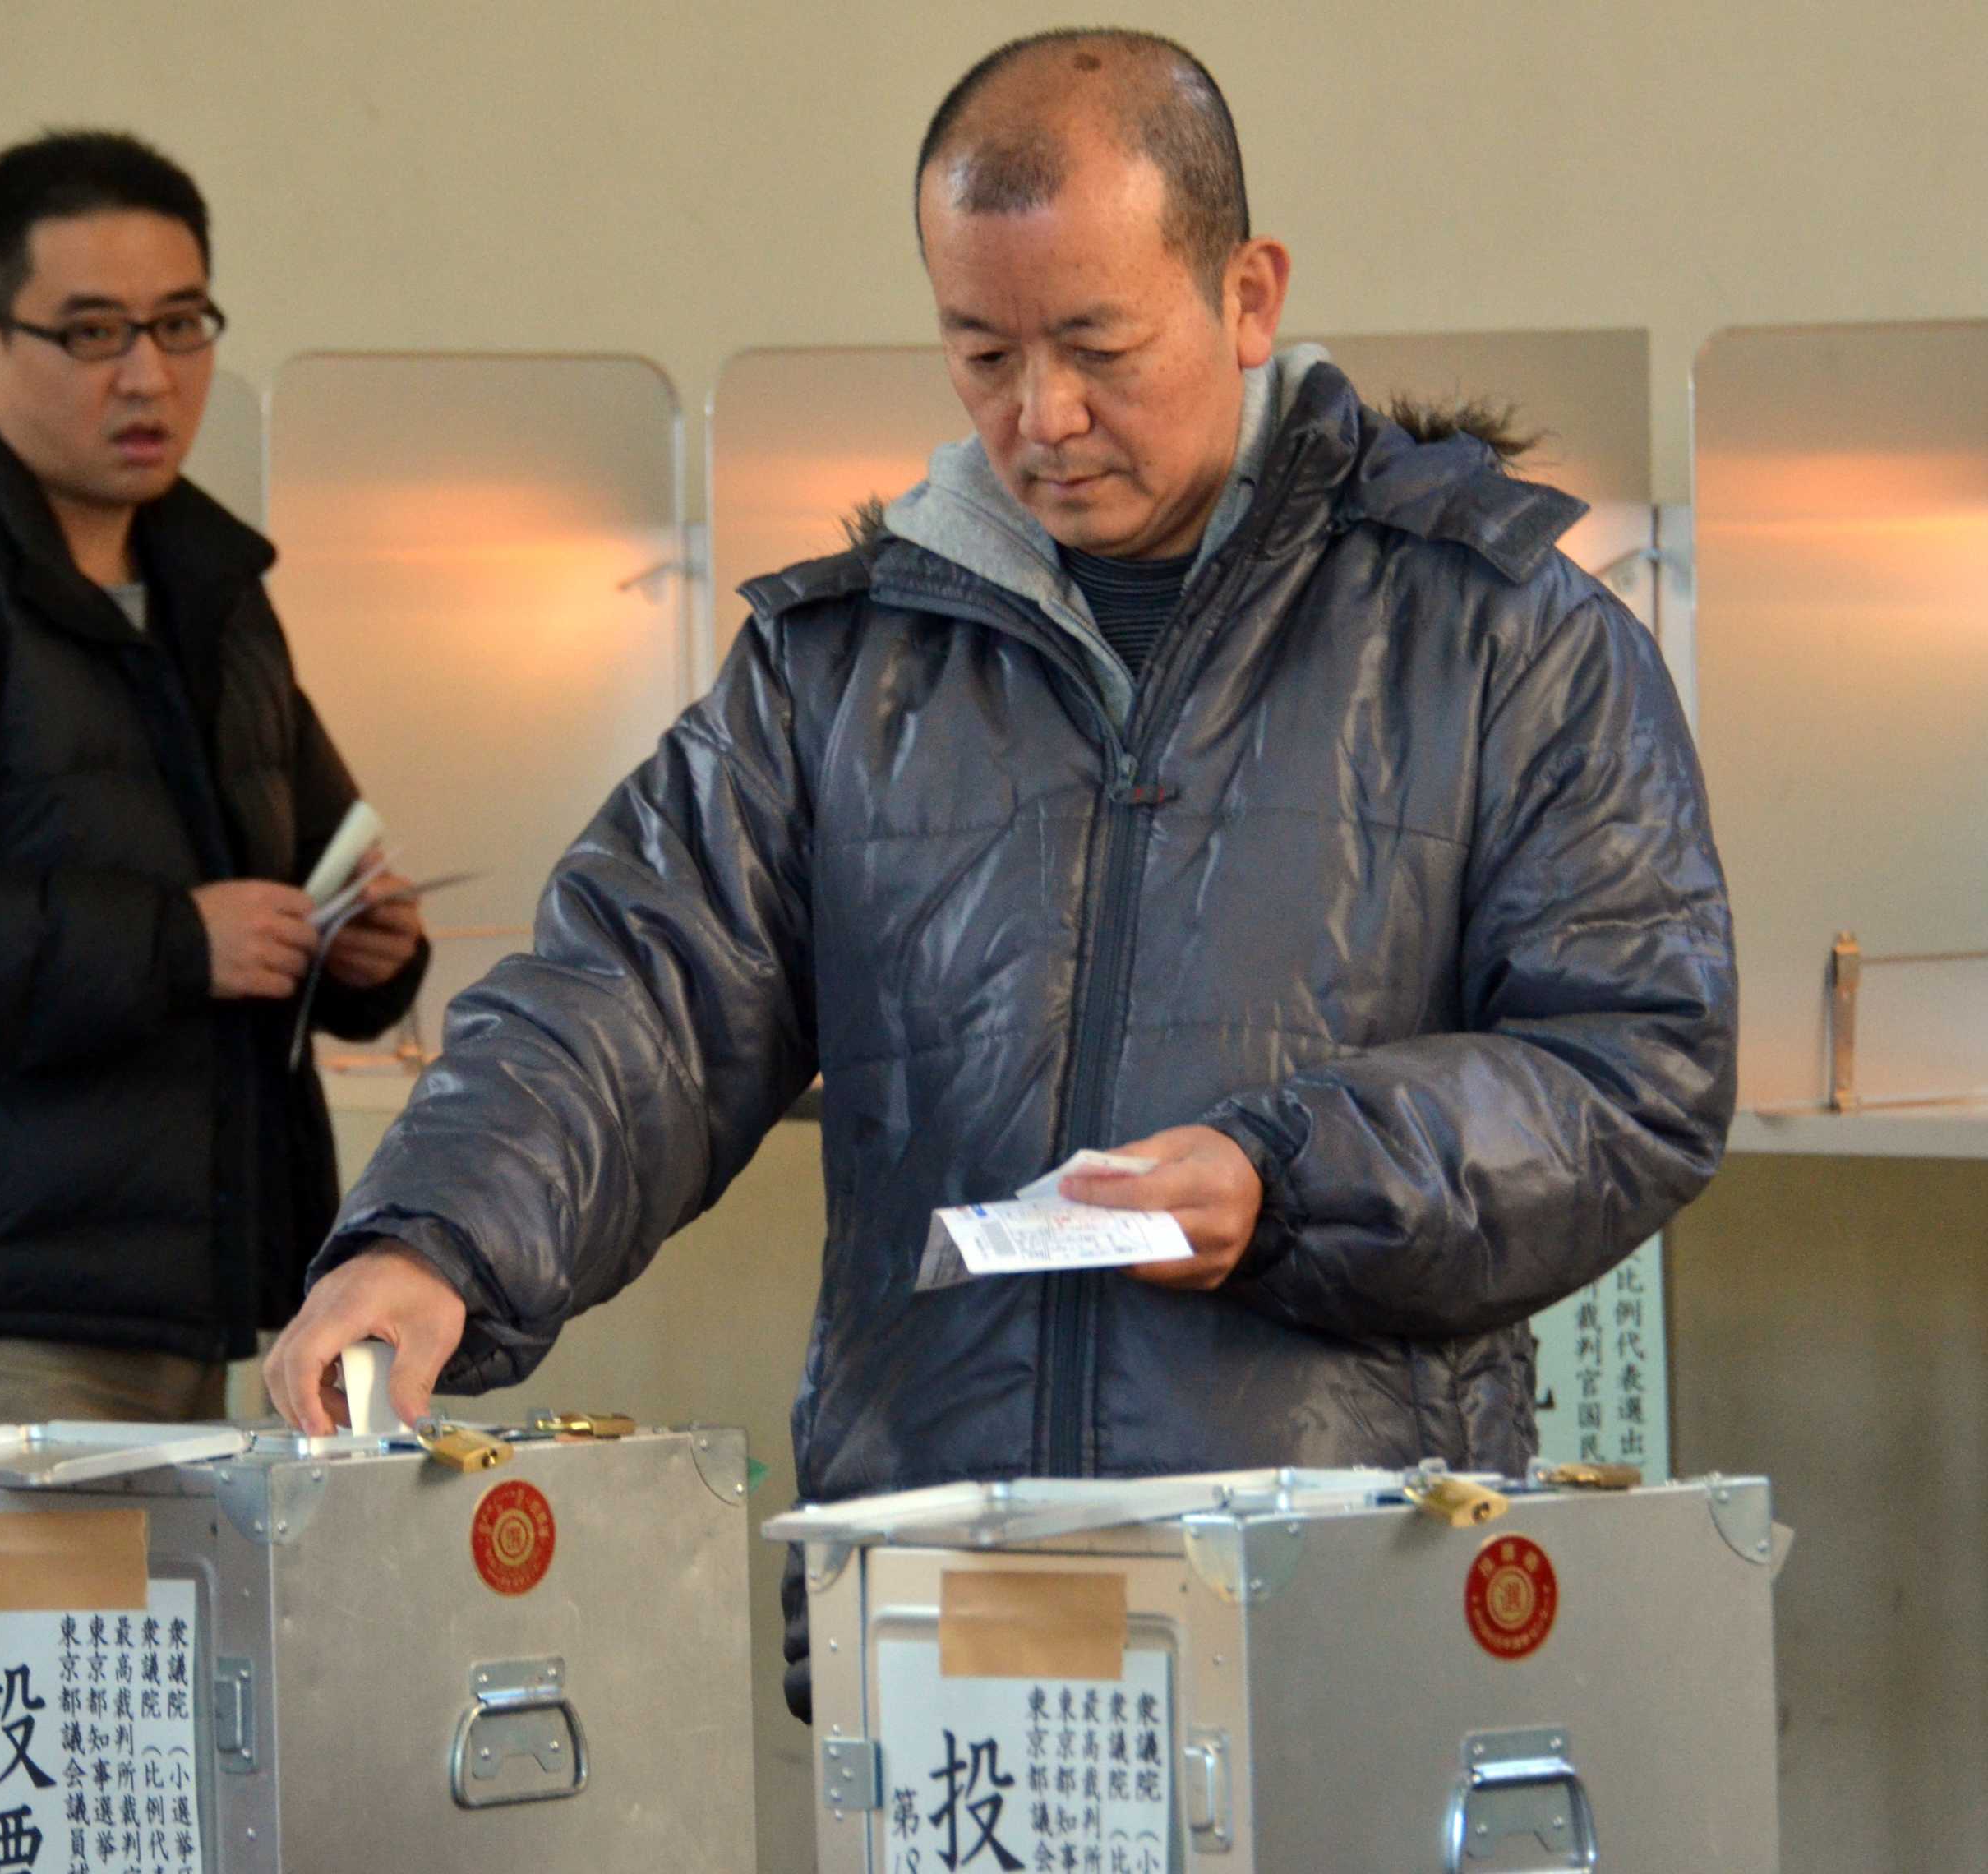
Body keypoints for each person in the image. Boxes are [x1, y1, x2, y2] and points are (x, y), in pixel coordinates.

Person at [265, 30, 1735, 1712]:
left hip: (1334, 1599)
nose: (1042, 419)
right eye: (982, 353)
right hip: (946, 1604)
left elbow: (1635, 1059)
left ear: (1248, 297)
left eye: (1099, 346)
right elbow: (634, 991)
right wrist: (432, 1241)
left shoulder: (1494, 633)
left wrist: (1287, 1179)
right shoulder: (843, 669)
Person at [0, 131, 427, 1457]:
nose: (149, 375)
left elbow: (290, 869)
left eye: (180, 324)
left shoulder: (212, 595)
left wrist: (357, 947)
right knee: (9, 1678)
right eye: (95, 332)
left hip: (180, 1300)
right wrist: (182, 940)